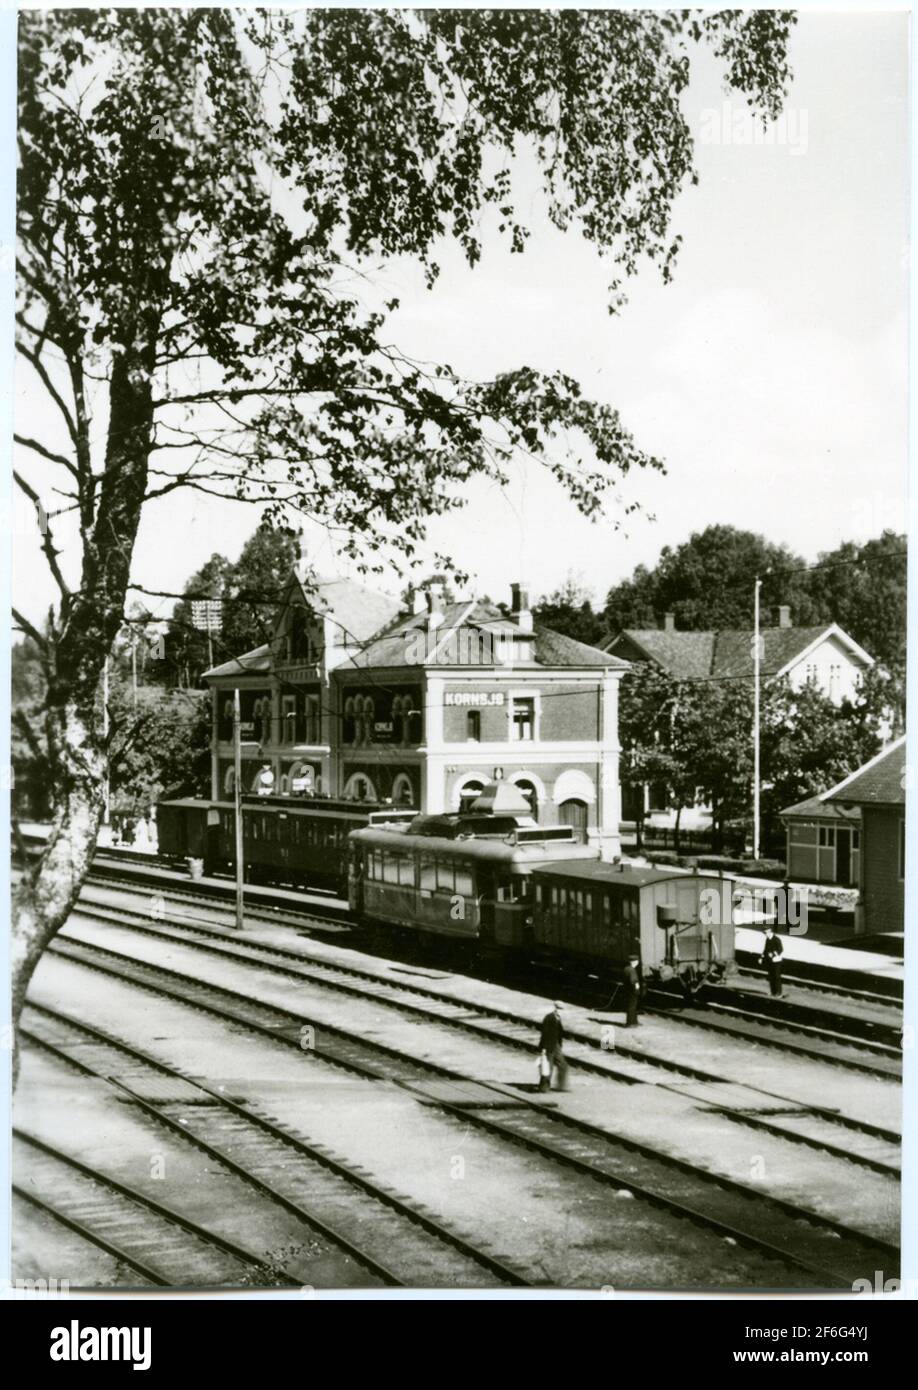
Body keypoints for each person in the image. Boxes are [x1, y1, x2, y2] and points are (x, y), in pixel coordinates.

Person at [538, 1001, 568, 1092]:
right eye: (560, 1009)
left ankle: (561, 1086)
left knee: (563, 1065)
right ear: (556, 1009)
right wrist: (543, 1048)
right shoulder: (549, 1018)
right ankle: (544, 1088)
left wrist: (560, 1045)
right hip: (548, 1046)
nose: (561, 1011)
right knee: (548, 1067)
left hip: (556, 1045)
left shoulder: (558, 1018)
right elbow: (544, 1033)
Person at [760, 926, 785, 998]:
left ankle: (779, 993)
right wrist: (761, 957)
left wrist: (773, 954)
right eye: (764, 933)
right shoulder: (767, 940)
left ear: (770, 931)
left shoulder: (776, 939)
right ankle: (773, 992)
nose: (765, 934)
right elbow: (765, 949)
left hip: (777, 961)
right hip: (770, 961)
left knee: (777, 977)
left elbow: (781, 949)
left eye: (766, 932)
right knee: (771, 976)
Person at [623, 955, 642, 1026]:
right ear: (634, 962)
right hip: (633, 991)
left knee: (630, 1006)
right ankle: (630, 1023)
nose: (638, 962)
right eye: (637, 961)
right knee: (632, 1006)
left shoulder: (626, 968)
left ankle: (634, 1022)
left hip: (627, 990)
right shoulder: (632, 970)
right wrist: (637, 989)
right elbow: (633, 981)